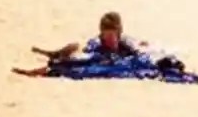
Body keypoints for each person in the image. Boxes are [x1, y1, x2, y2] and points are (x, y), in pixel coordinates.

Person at [15, 12, 146, 76]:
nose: (111, 40)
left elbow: (139, 53)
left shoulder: (125, 42)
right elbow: (79, 61)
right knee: (72, 51)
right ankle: (52, 54)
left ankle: (51, 54)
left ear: (119, 33)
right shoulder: (96, 45)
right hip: (84, 52)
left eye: (113, 36)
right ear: (102, 33)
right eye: (107, 36)